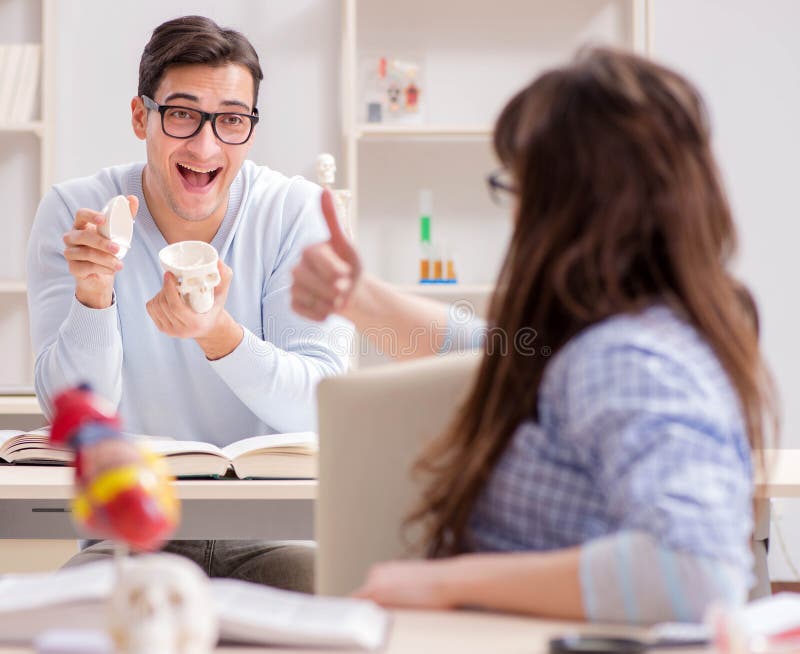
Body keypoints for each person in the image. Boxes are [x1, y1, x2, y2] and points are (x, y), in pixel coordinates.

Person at [291, 48, 777, 622]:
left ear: (567, 205)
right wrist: (359, 298)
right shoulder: (596, 336)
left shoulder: (623, 356)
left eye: (518, 186)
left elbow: (697, 572)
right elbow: (479, 349)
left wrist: (446, 583)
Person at [26, 15, 352, 591]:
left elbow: (321, 408)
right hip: (128, 542)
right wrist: (94, 297)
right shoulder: (77, 212)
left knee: (343, 615)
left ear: (250, 128)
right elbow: (69, 415)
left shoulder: (295, 213)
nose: (205, 147)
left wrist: (218, 335)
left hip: (276, 534)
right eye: (181, 114)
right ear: (140, 117)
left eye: (231, 120)